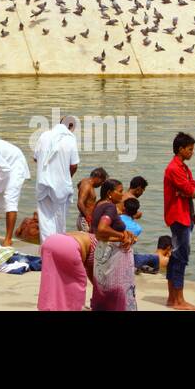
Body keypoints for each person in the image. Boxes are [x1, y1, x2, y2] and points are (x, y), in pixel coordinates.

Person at [163, 132, 195, 310]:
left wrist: (188, 191)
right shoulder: (175, 169)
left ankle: (173, 298)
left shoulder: (184, 168)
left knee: (177, 257)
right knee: (180, 258)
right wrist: (188, 191)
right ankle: (178, 300)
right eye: (190, 149)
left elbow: (194, 189)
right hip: (179, 217)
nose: (192, 152)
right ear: (181, 149)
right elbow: (190, 189)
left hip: (186, 215)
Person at [90, 179, 137, 311]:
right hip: (113, 256)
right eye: (120, 191)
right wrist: (122, 236)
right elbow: (102, 228)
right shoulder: (110, 207)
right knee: (118, 290)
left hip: (101, 252)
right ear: (110, 193)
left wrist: (124, 232)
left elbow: (98, 233)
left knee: (104, 289)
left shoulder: (99, 205)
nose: (122, 195)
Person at [34, 114, 80, 241]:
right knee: (60, 221)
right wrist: (66, 177)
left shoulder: (44, 135)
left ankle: (47, 251)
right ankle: (58, 251)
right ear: (70, 126)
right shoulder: (70, 139)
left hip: (43, 184)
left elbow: (36, 158)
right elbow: (74, 165)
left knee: (45, 220)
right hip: (61, 187)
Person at [38, 230, 96, 311]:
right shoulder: (99, 246)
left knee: (51, 280)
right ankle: (74, 308)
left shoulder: (88, 235)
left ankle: (49, 307)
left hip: (49, 241)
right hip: (69, 246)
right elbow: (94, 275)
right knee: (78, 282)